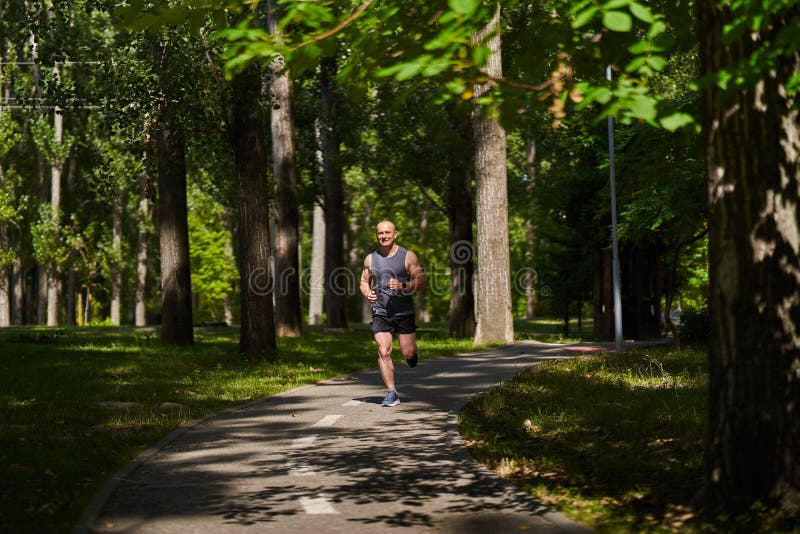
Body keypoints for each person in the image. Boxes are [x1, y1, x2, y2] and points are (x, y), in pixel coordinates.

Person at [359, 220, 425, 407]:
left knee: (408, 351)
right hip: (381, 311)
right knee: (383, 350)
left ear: (395, 234)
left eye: (387, 232)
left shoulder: (408, 256)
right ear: (377, 235)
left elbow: (420, 282)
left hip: (403, 311)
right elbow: (364, 281)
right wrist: (368, 292)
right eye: (380, 233)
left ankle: (412, 356)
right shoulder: (371, 259)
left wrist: (403, 285)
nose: (384, 236)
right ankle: (392, 392)